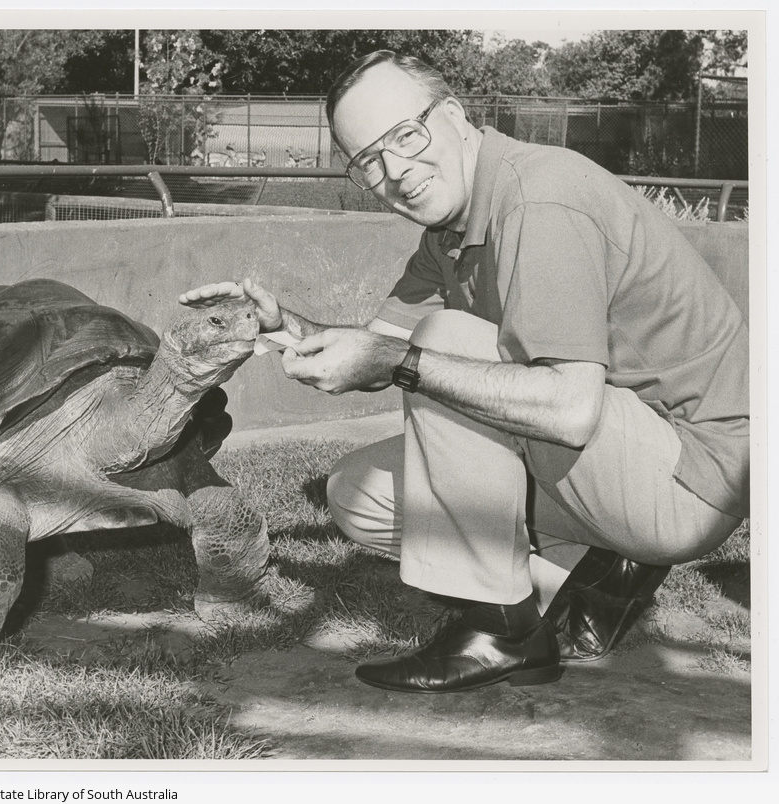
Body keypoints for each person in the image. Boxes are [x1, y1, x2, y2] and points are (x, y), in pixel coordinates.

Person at [179, 50, 749, 694]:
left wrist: (403, 361)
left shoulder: (542, 195)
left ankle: (501, 630)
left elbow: (569, 408)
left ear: (452, 114)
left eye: (405, 134)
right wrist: (288, 327)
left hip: (690, 477)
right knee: (357, 492)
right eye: (368, 160)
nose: (394, 170)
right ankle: (590, 576)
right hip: (604, 457)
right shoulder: (447, 231)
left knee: (446, 343)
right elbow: (377, 350)